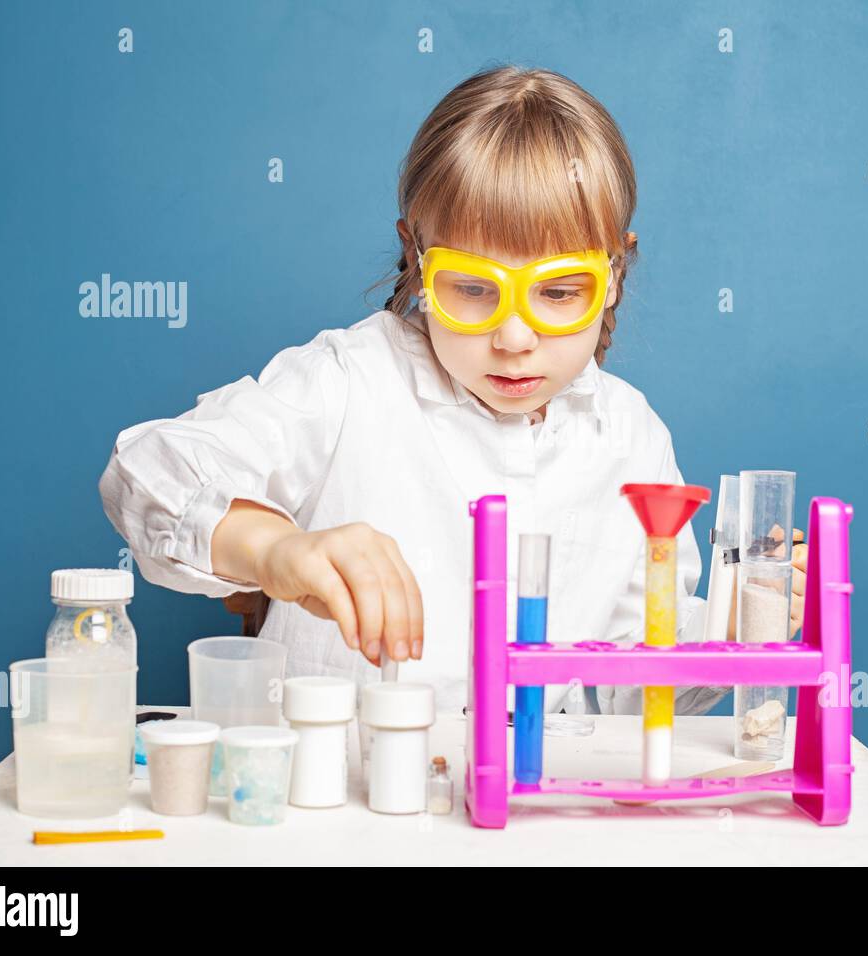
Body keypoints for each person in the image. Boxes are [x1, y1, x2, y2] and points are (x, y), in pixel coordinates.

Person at [100, 65, 806, 714]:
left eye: (559, 291)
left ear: (614, 272)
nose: (515, 338)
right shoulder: (352, 378)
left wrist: (737, 630)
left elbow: (628, 702)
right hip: (350, 805)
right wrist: (275, 551)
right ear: (416, 257)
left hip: (535, 815)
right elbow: (148, 473)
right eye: (473, 289)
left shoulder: (632, 439)